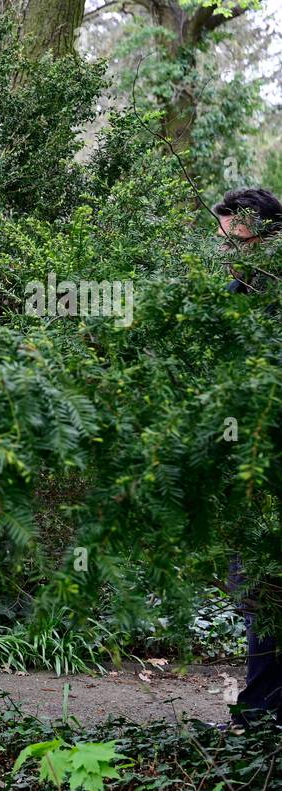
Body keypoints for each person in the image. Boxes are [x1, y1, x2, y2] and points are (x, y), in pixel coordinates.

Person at [214, 186, 282, 725]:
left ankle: (262, 709)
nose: (224, 243)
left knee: (262, 586)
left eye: (229, 232)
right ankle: (262, 705)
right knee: (257, 587)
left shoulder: (263, 292)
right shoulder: (246, 285)